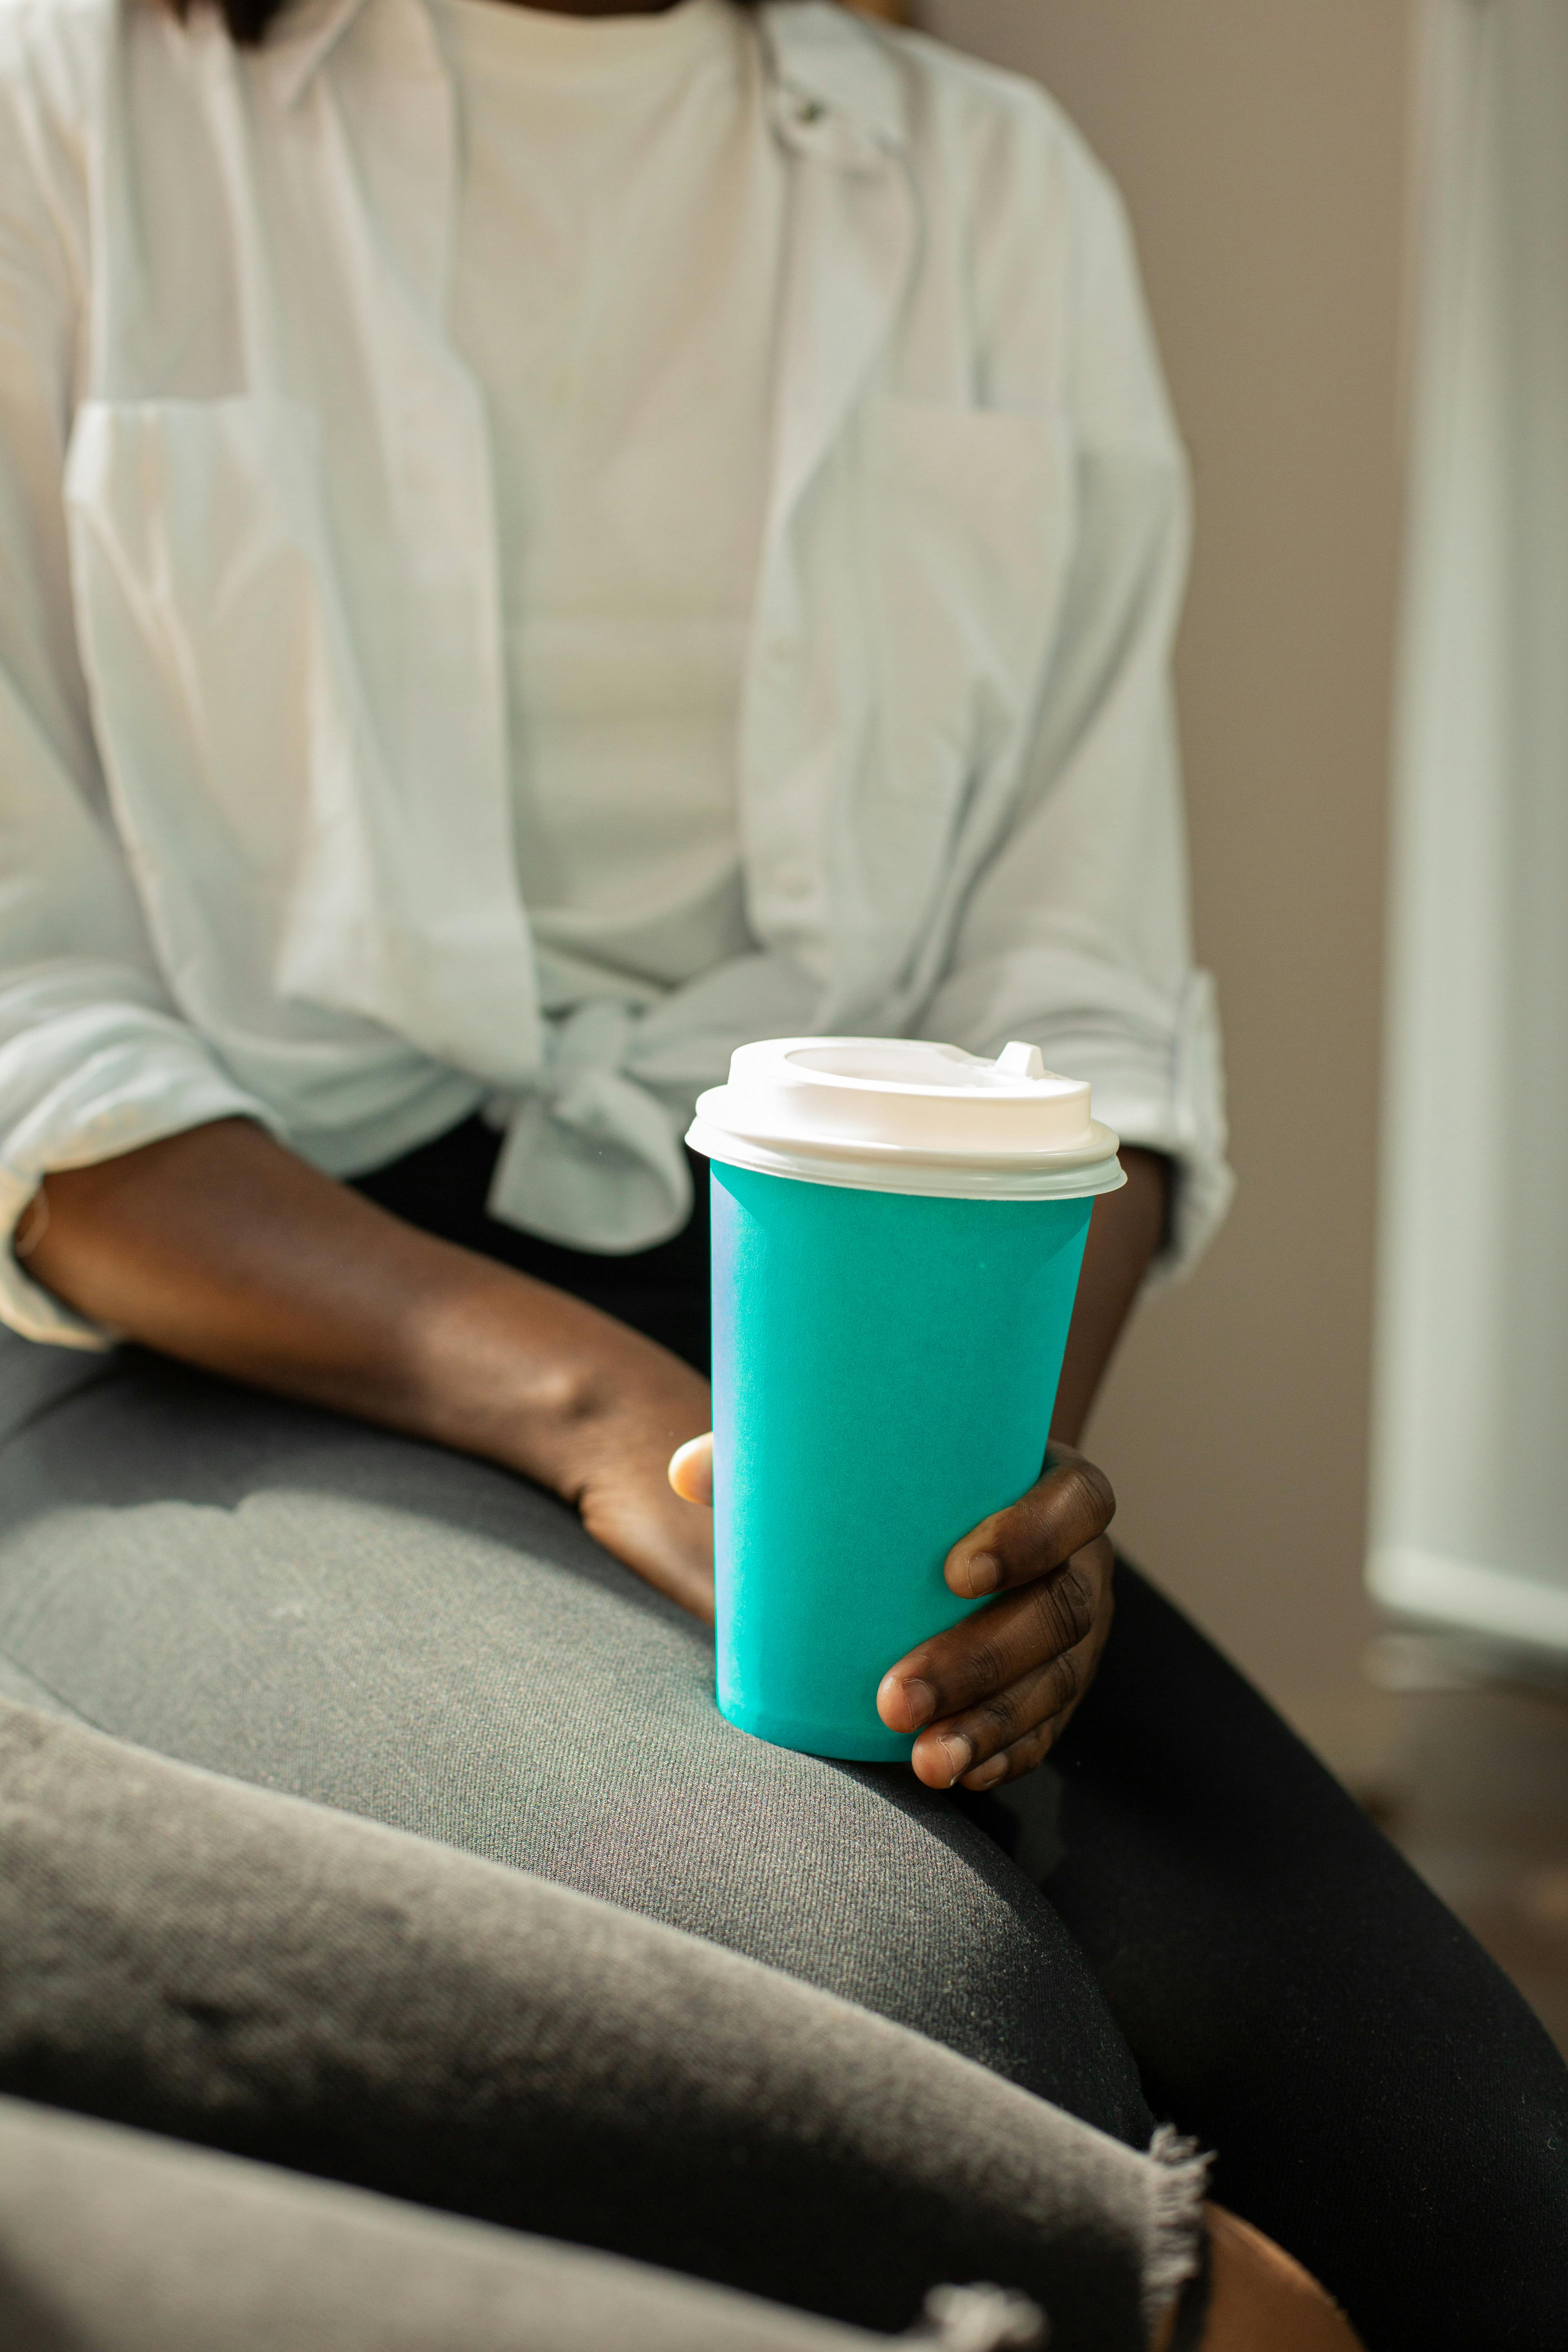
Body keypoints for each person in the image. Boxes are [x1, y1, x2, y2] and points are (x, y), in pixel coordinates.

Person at [0, 0, 1561, 2345]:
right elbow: (33, 1039)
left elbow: (1084, 1007)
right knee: (919, 1996)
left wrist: (971, 1470)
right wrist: (600, 1413)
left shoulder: (990, 192)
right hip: (195, 1347)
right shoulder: (65, 111)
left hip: (819, 1346)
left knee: (1485, 2181)